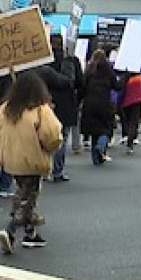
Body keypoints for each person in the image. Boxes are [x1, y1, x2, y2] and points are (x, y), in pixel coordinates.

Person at [0, 71, 63, 254]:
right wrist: (50, 148)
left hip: (11, 160)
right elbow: (52, 135)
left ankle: (31, 234)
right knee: (28, 197)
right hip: (32, 160)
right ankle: (10, 230)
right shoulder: (40, 109)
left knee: (25, 192)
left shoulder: (5, 109)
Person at [47, 36, 84, 181]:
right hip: (67, 103)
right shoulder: (71, 60)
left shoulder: (45, 60)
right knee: (62, 137)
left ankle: (45, 168)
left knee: (45, 136)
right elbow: (80, 82)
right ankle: (58, 170)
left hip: (47, 101)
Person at [81, 50, 120, 165]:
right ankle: (101, 145)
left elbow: (82, 87)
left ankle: (96, 159)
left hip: (89, 104)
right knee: (106, 129)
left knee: (93, 131)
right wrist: (126, 76)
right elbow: (117, 86)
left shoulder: (89, 70)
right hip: (104, 104)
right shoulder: (108, 70)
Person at [118, 70, 141, 154]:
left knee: (127, 120)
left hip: (126, 100)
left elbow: (119, 86)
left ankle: (127, 135)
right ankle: (131, 141)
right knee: (133, 121)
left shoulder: (124, 74)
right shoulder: (139, 74)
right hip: (137, 98)